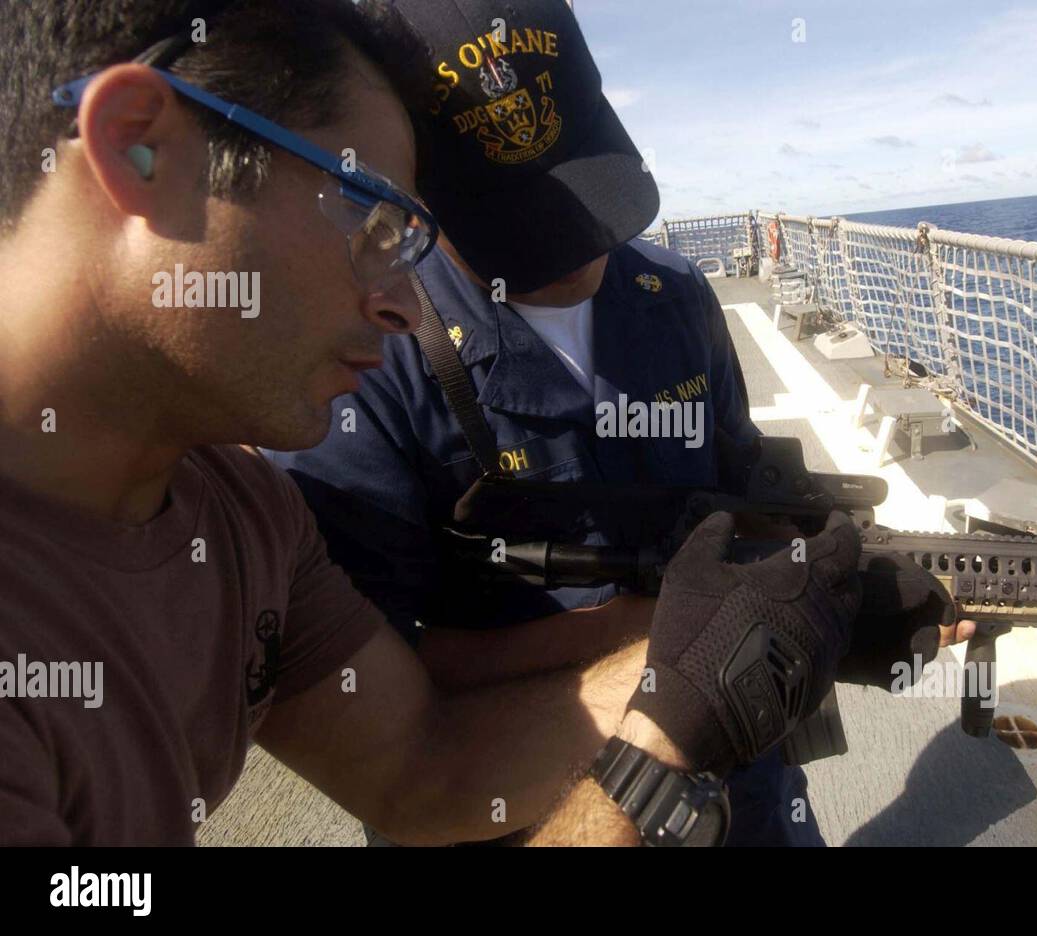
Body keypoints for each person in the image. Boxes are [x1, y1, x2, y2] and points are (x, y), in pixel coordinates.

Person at [0, 0, 863, 847]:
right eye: (370, 215)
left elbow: (421, 766)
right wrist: (669, 714)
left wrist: (725, 658)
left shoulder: (246, 523)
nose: (399, 301)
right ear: (139, 148)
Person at [268, 0, 826, 845]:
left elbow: (745, 488)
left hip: (741, 770)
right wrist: (682, 631)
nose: (577, 251)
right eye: (522, 221)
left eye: (588, 195)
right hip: (523, 802)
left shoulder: (674, 296)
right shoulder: (364, 368)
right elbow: (383, 679)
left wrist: (824, 577)